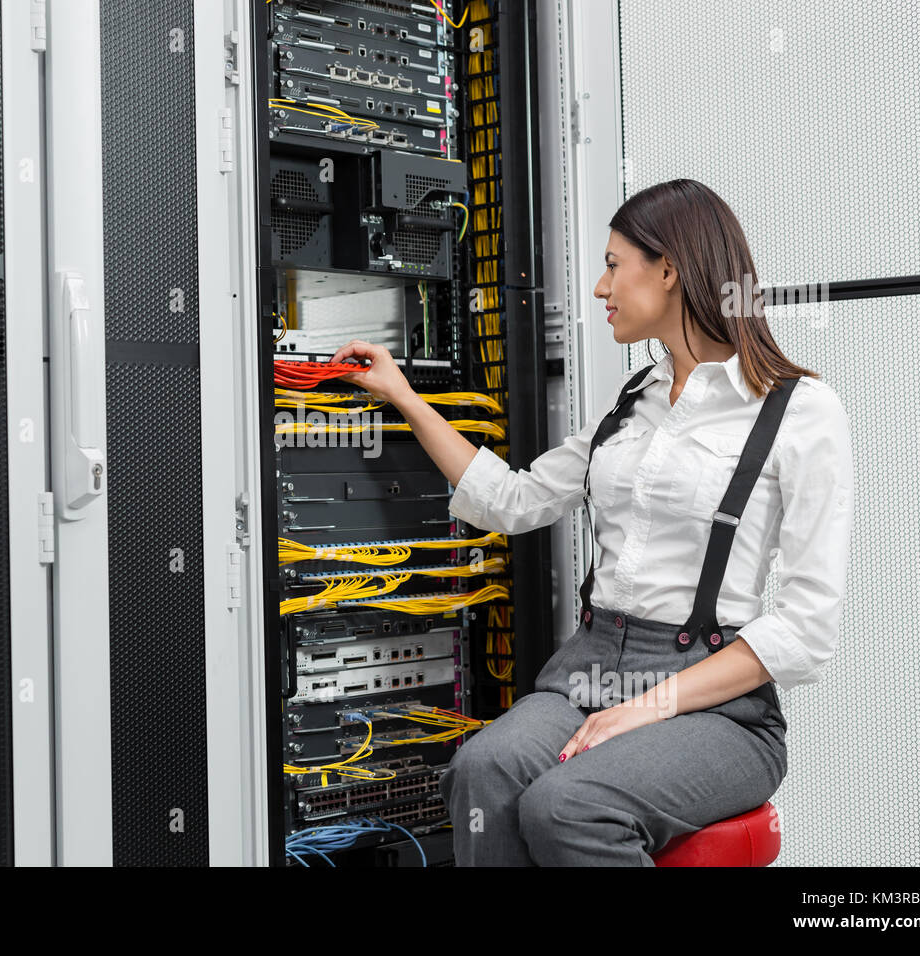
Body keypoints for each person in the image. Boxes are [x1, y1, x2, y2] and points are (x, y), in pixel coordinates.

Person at [328, 178, 855, 866]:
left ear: (668, 269)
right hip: (591, 672)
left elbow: (808, 628)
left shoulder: (801, 410)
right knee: (482, 770)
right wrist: (403, 394)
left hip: (718, 704)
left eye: (612, 263)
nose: (600, 288)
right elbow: (511, 501)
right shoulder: (633, 399)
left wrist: (649, 705)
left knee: (569, 805)